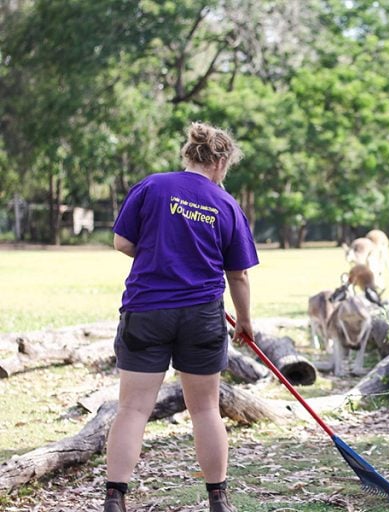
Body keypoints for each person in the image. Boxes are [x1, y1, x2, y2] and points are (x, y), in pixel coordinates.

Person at [103, 122, 258, 512]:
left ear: (188, 155)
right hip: (202, 315)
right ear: (220, 162)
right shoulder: (226, 205)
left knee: (133, 409)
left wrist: (159, 252)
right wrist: (244, 320)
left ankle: (114, 498)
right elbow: (237, 273)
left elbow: (123, 241)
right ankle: (219, 500)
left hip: (146, 309)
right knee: (205, 409)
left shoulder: (152, 186)